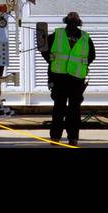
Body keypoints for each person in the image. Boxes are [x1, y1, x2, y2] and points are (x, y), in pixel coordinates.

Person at [40, 11, 95, 145]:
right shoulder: (62, 35)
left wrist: (51, 61)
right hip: (68, 78)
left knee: (63, 109)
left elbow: (43, 48)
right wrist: (52, 61)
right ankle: (69, 138)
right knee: (70, 110)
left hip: (67, 78)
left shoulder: (82, 37)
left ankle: (59, 138)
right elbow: (91, 56)